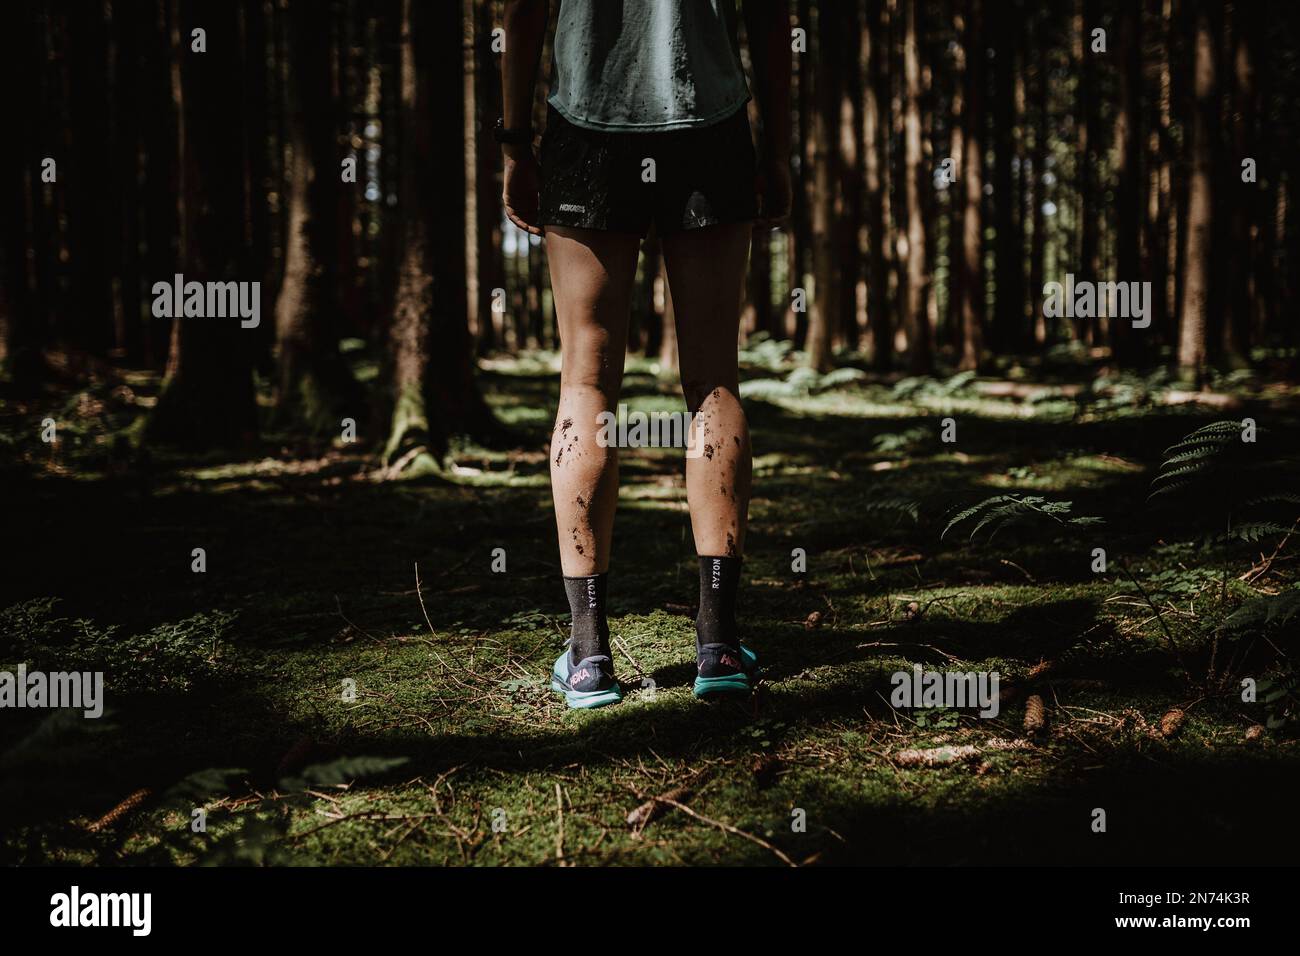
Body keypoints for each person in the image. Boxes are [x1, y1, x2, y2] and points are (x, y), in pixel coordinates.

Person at [499, 0, 792, 708]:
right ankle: (718, 644)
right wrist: (776, 143)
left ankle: (590, 653)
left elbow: (525, 10)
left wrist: (513, 141)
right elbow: (770, 14)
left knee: (586, 385)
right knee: (714, 381)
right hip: (710, 122)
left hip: (587, 125)